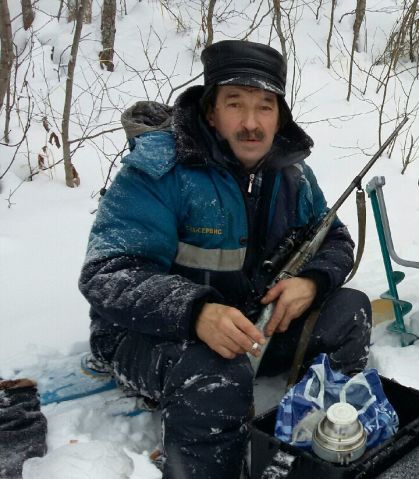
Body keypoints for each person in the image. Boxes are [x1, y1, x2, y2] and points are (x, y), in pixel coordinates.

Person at [79, 40, 372, 478]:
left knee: (351, 312)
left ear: (279, 116)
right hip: (151, 334)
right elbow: (107, 274)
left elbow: (335, 239)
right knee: (219, 375)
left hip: (252, 322)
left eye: (265, 107)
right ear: (212, 112)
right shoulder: (158, 171)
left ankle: (319, 435)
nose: (251, 123)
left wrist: (310, 282)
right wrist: (196, 312)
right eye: (235, 104)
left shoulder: (294, 175)